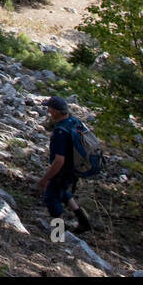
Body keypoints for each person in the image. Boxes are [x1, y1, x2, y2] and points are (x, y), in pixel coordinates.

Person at [38, 96, 94, 235]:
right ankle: (83, 221)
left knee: (52, 198)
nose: (48, 111)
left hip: (63, 170)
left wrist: (46, 179)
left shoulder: (60, 132)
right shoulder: (74, 121)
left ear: (56, 112)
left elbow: (59, 160)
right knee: (62, 192)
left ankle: (58, 235)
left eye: (49, 108)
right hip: (75, 167)